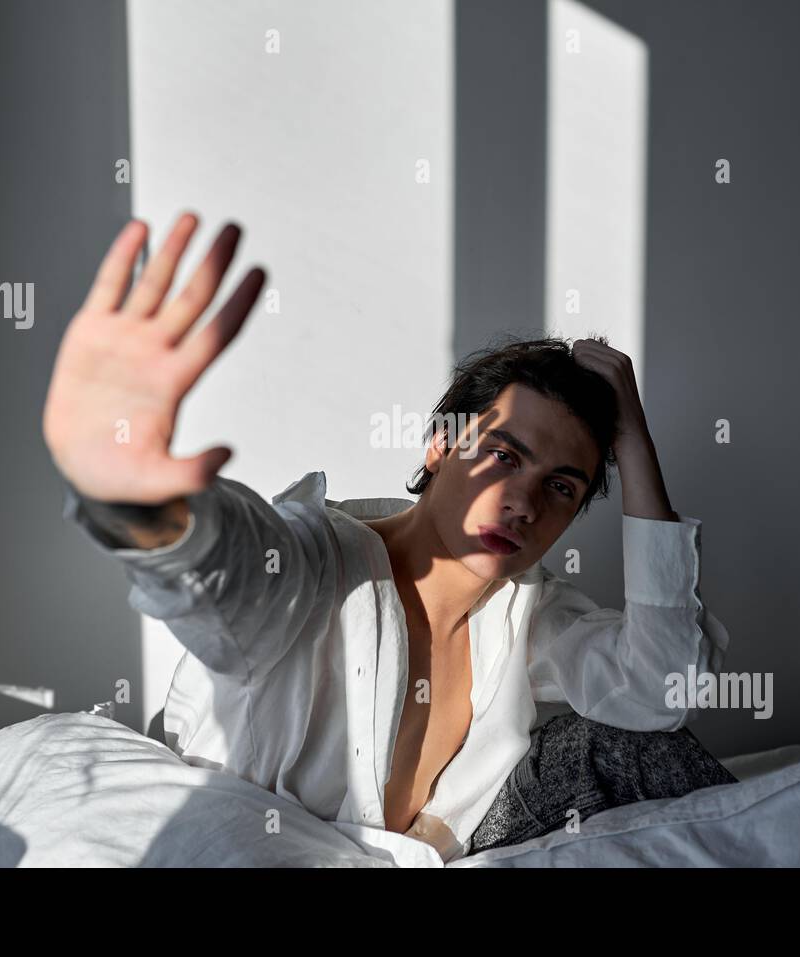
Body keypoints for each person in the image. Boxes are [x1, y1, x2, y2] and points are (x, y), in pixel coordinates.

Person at [43, 213, 737, 863]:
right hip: (256, 851)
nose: (524, 501)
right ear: (440, 445)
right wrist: (134, 499)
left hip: (429, 849)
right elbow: (224, 571)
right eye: (502, 454)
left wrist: (635, 446)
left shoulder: (525, 608)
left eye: (561, 486)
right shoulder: (315, 562)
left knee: (625, 746)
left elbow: (659, 688)